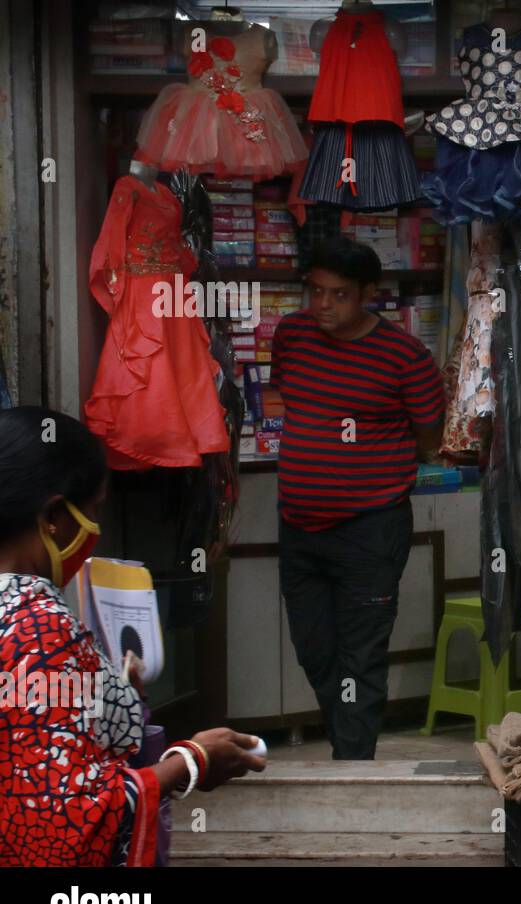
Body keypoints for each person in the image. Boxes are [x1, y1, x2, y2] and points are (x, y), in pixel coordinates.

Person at [0, 407, 264, 866]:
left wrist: (112, 691)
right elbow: (62, 823)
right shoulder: (37, 627)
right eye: (95, 510)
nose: (96, 532)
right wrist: (193, 761)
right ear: (55, 518)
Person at [271, 237, 446, 759]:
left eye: (339, 294)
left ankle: (352, 765)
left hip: (370, 529)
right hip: (298, 526)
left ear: (369, 293)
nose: (322, 304)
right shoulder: (291, 334)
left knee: (361, 654)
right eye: (315, 291)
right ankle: (346, 744)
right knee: (314, 650)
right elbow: (295, 402)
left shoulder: (404, 356)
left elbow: (429, 435)